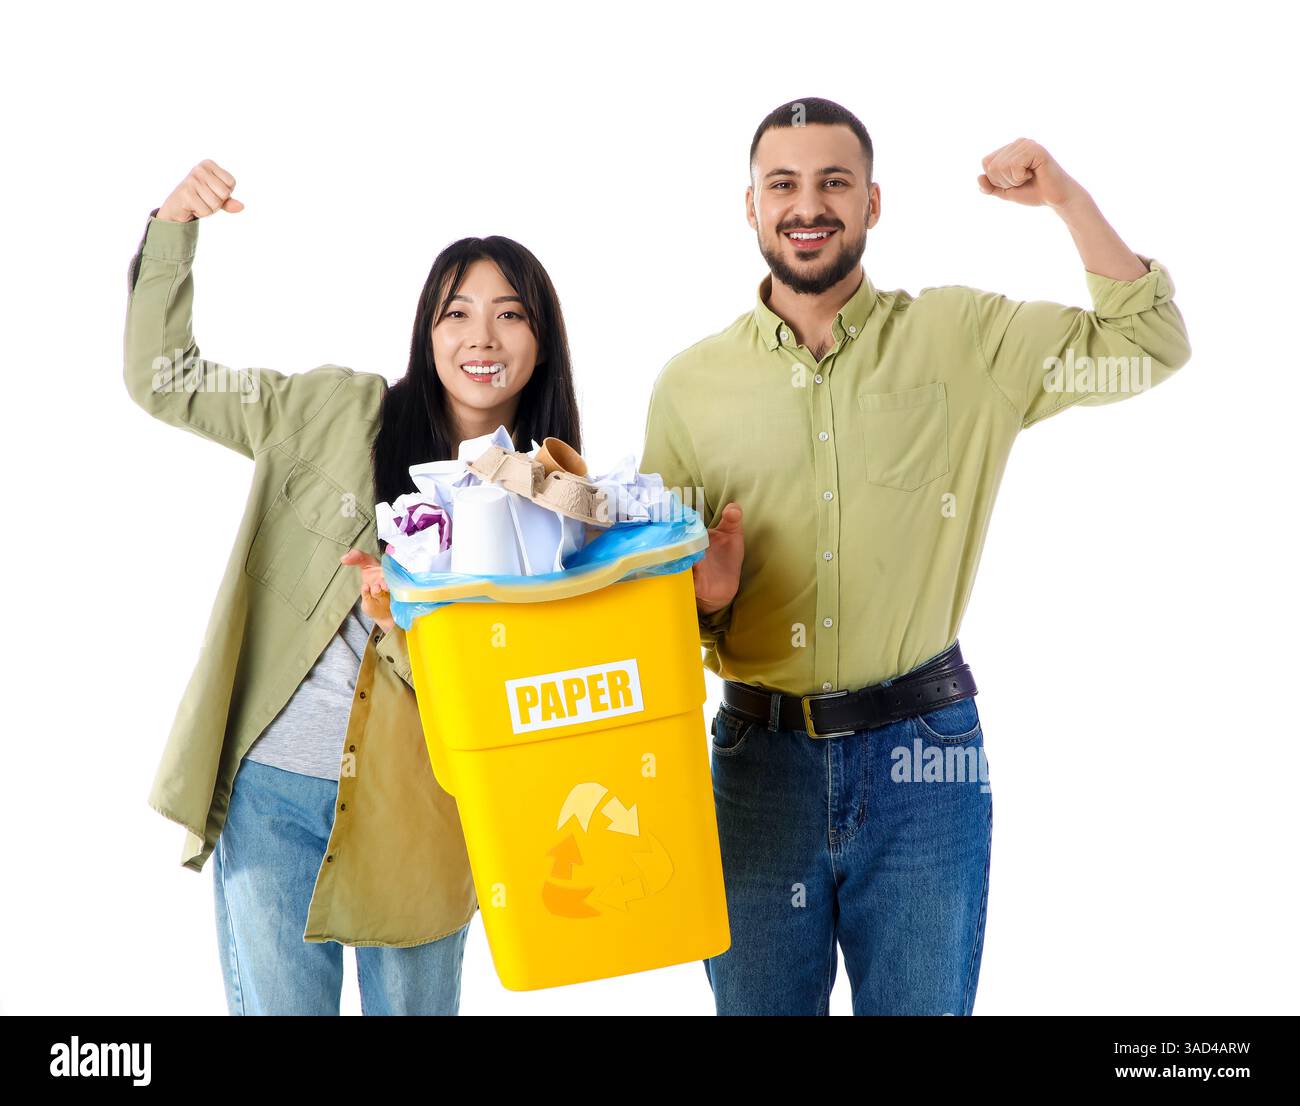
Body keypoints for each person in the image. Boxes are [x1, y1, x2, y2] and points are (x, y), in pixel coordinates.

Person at [641, 98, 1191, 1016]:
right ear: (750, 206)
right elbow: (658, 612)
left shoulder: (962, 339)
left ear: (872, 203)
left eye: (833, 183)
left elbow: (1148, 344)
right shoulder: (690, 387)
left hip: (923, 766)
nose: (807, 205)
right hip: (755, 771)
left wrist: (1065, 198)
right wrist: (707, 604)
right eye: (783, 184)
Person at [124, 159, 582, 1014]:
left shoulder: (555, 500)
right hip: (272, 791)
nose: (481, 338)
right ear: (427, 331)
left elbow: (526, 694)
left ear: (542, 340)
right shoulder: (329, 411)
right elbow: (168, 381)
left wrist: (401, 619)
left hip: (424, 818)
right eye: (458, 314)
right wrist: (172, 230)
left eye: (510, 315)